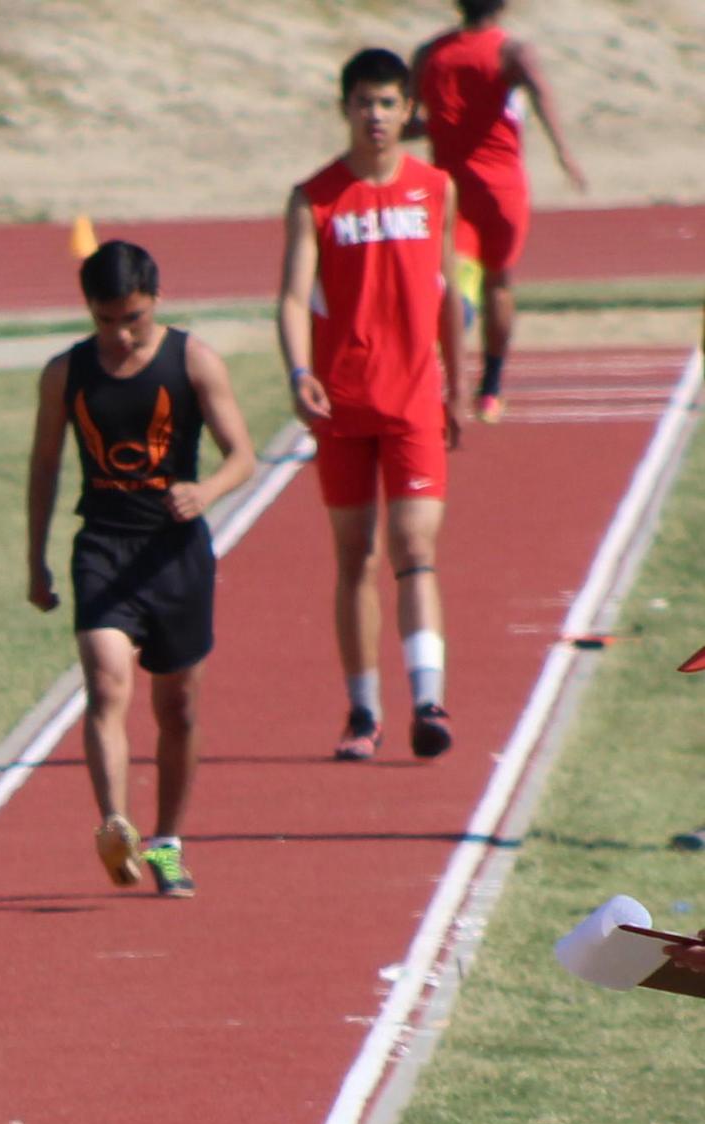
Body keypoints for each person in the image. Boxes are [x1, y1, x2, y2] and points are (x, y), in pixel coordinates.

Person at [26, 240, 257, 899]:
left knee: (177, 707)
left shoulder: (193, 361)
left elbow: (243, 456)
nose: (121, 335)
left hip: (175, 554)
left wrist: (205, 491)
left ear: (156, 300)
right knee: (106, 684)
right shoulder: (65, 373)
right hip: (103, 548)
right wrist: (35, 560)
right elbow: (44, 466)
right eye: (106, 321)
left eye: (133, 318)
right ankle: (115, 825)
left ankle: (168, 844)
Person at [279, 47, 467, 766]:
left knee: (415, 549)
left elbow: (449, 291)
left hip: (415, 399)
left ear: (407, 109)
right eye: (364, 102)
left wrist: (458, 383)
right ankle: (363, 711)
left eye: (388, 103)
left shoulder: (435, 189)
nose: (376, 116)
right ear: (346, 108)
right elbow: (292, 298)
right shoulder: (316, 198)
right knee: (355, 556)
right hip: (343, 403)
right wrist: (300, 371)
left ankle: (429, 700)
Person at [409, 0, 588, 424]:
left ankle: (440, 375)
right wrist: (563, 152)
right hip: (501, 188)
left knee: (451, 281)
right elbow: (541, 93)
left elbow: (411, 117)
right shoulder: (512, 52)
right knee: (498, 284)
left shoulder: (430, 54)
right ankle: (489, 389)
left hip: (449, 187)